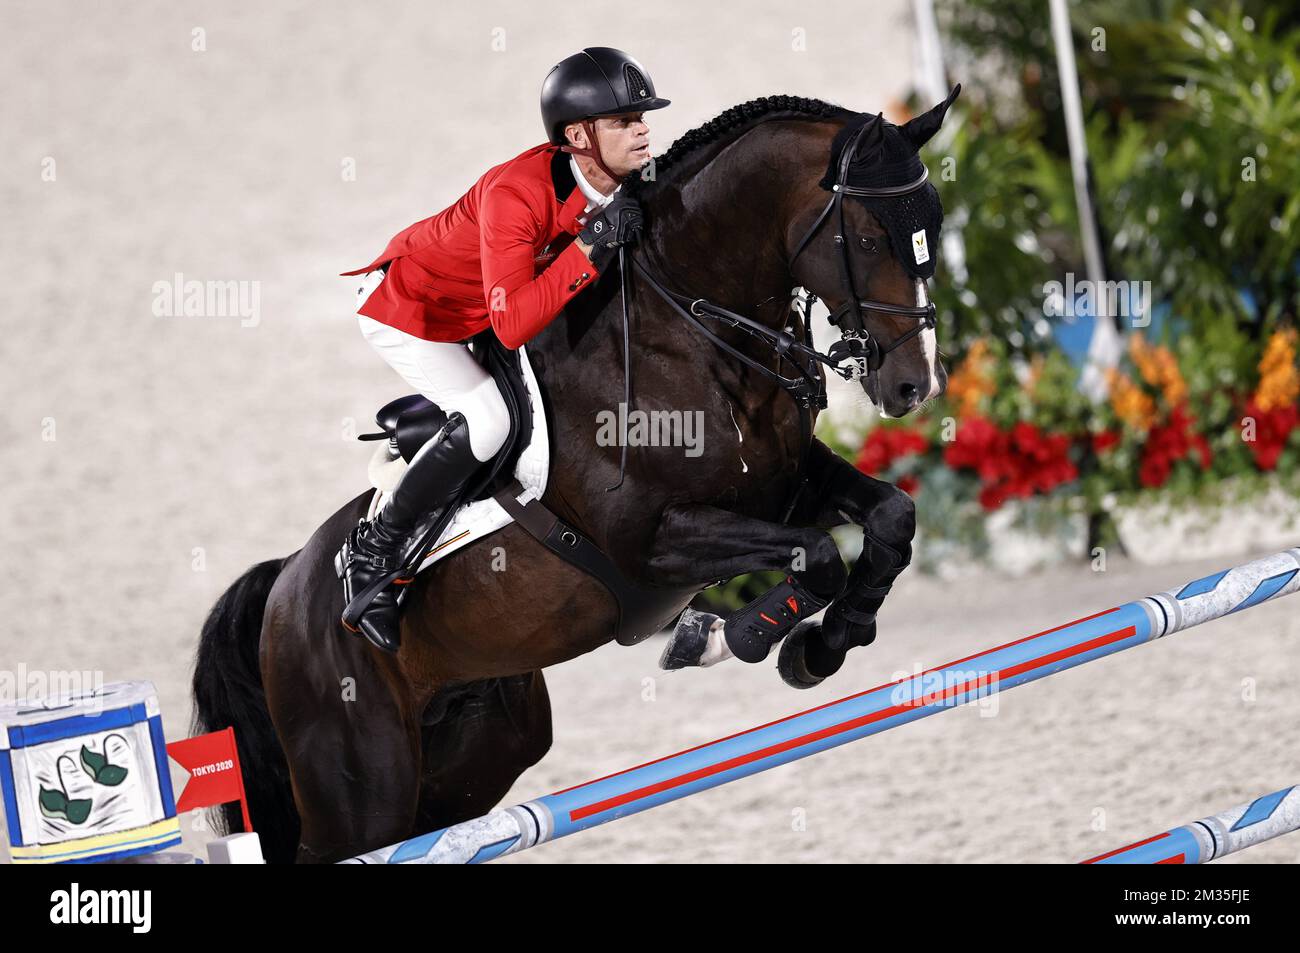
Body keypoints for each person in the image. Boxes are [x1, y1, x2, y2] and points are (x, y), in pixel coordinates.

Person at [336, 47, 670, 653]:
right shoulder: (515, 194)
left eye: (643, 116)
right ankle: (373, 554)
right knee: (489, 420)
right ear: (579, 136)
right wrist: (590, 249)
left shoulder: (633, 176)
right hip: (414, 310)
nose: (643, 129)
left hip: (489, 307)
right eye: (625, 121)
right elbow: (514, 324)